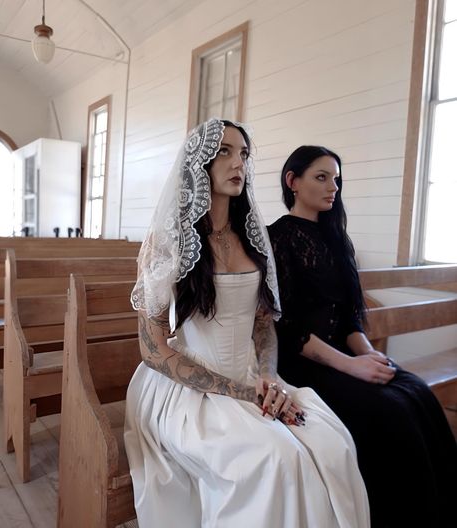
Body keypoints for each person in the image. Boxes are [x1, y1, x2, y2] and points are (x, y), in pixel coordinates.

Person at [124, 119, 370, 528]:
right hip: (187, 390)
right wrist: (238, 391)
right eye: (225, 151)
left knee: (333, 443)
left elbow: (262, 327)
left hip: (253, 378)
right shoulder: (167, 242)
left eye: (244, 154)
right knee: (277, 458)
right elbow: (152, 350)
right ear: (198, 161)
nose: (238, 162)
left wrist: (270, 380)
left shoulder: (252, 239)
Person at [268, 145, 457, 528]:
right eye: (322, 177)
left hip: (344, 353)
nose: (333, 187)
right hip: (304, 362)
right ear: (293, 181)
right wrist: (352, 367)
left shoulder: (337, 238)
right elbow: (287, 327)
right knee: (390, 412)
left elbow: (350, 315)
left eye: (336, 179)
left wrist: (370, 355)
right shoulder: (277, 238)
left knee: (414, 392)